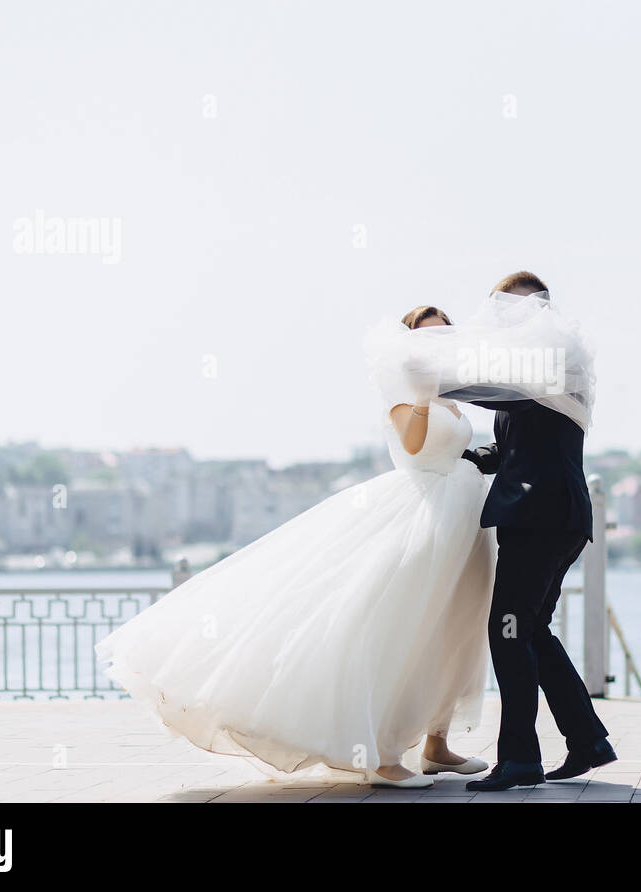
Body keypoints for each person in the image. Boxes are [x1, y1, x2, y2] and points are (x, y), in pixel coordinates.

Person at [95, 305, 494, 788]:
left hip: (462, 518)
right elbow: (412, 446)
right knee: (400, 626)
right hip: (419, 513)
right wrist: (425, 396)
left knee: (454, 627)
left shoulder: (453, 396)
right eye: (428, 338)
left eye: (444, 336)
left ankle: (436, 743)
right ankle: (382, 754)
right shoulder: (405, 392)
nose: (437, 345)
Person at [444, 271, 616, 791]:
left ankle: (519, 759)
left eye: (515, 309)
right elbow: (524, 442)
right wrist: (472, 455)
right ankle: (587, 741)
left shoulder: (555, 357)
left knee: (508, 629)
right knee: (531, 630)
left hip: (542, 516)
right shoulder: (541, 368)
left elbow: (497, 394)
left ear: (540, 308)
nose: (508, 320)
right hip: (553, 515)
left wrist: (427, 378)